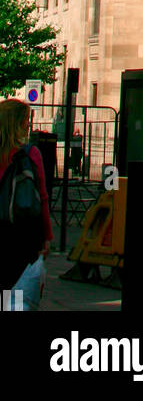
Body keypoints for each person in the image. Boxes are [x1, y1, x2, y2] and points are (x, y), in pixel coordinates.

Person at [0, 99, 53, 310]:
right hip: (22, 236)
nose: (29, 125)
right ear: (17, 123)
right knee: (16, 294)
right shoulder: (30, 154)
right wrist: (46, 236)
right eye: (26, 120)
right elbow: (42, 197)